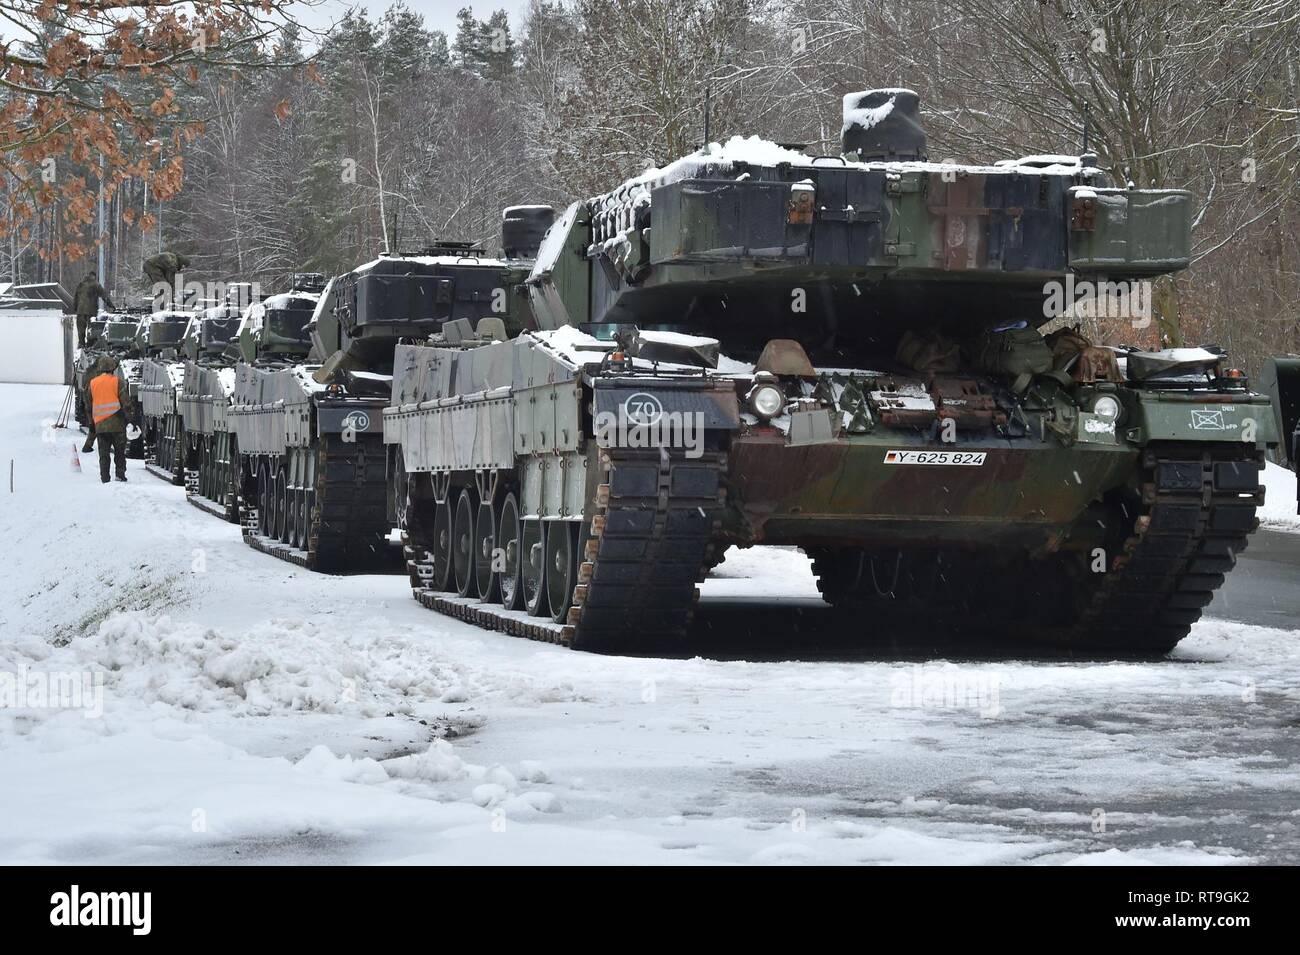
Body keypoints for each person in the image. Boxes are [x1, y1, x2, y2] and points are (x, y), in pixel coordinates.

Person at [84, 355, 133, 483]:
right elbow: (126, 403)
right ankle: (120, 474)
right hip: (117, 423)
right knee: (119, 452)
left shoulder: (93, 383)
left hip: (100, 424)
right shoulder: (118, 382)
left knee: (104, 454)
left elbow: (88, 405)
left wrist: (92, 422)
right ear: (112, 368)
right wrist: (130, 420)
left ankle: (104, 477)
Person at [72, 271, 114, 348]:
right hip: (91, 312)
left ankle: (81, 346)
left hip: (80, 311)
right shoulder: (95, 284)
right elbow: (104, 296)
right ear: (94, 276)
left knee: (81, 331)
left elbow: (75, 297)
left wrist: (76, 308)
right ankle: (89, 346)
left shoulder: (81, 284)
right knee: (91, 330)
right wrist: (112, 306)